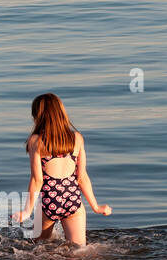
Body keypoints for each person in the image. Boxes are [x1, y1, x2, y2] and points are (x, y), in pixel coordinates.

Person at [12, 92, 111, 246]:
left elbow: (37, 180)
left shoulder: (36, 141)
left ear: (38, 116)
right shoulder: (77, 138)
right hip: (73, 201)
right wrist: (96, 207)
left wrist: (26, 211)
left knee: (36, 250)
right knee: (79, 253)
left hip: (49, 203)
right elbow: (82, 177)